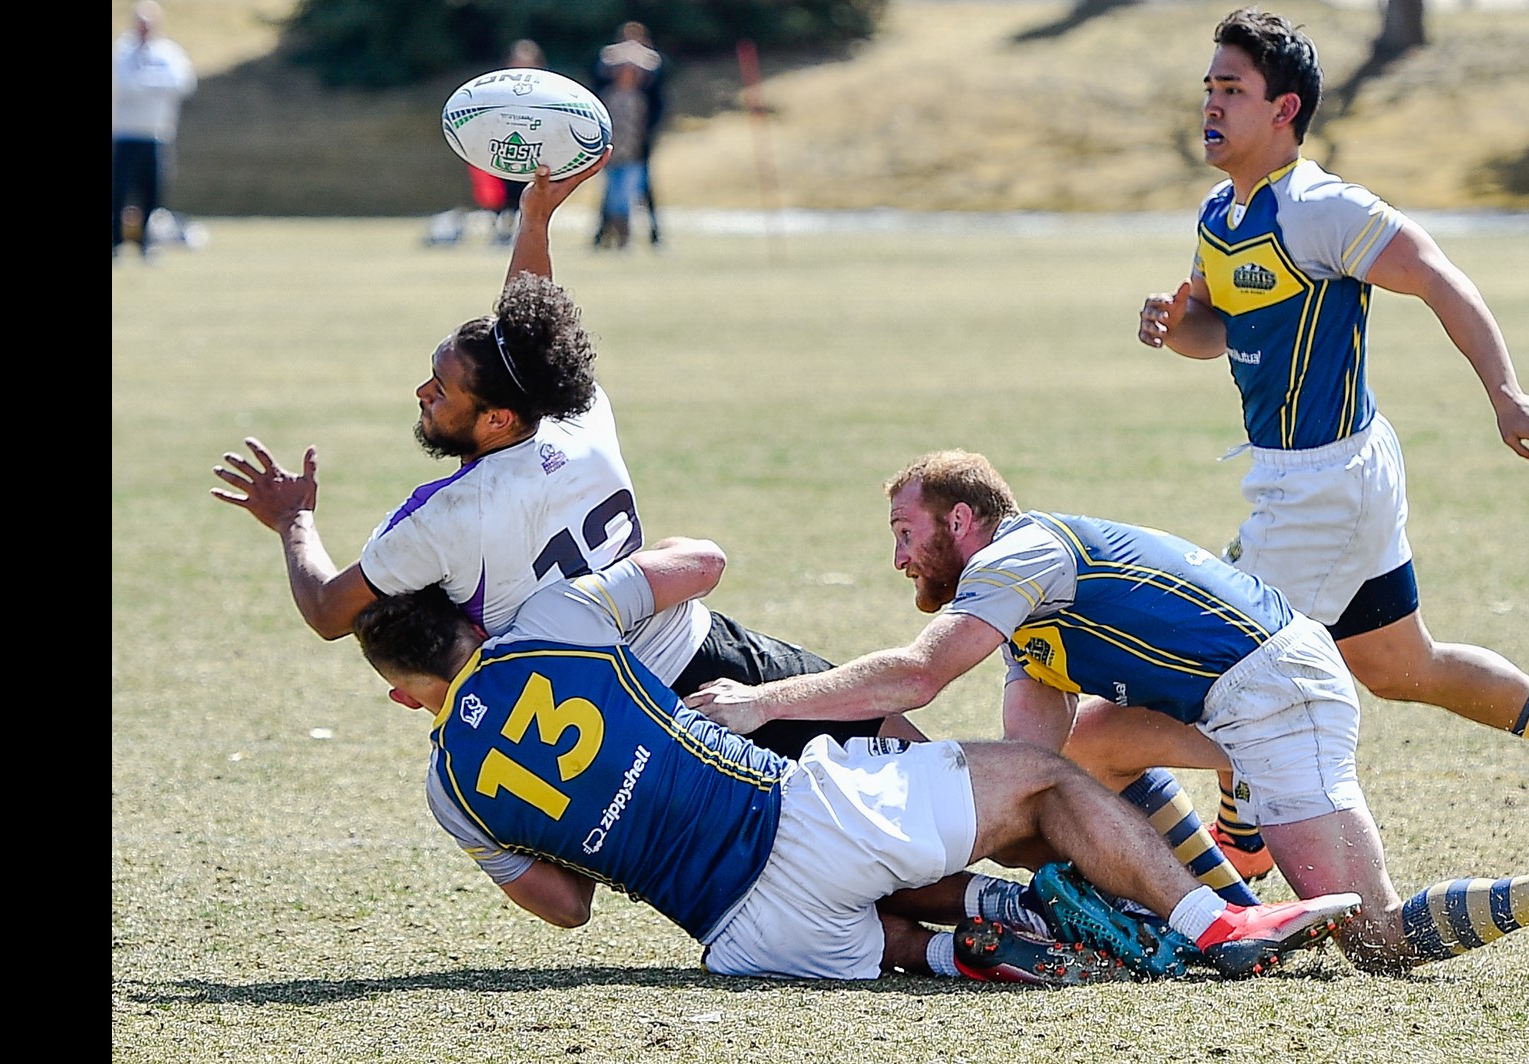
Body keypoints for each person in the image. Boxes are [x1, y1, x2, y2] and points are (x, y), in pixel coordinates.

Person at [211, 159, 1261, 910]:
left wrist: (294, 523)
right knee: (944, 784)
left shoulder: (448, 518)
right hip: (714, 645)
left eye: (441, 389)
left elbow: (330, 610)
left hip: (648, 710)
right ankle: (1175, 890)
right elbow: (532, 320)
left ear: (493, 422)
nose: (423, 395)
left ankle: (1114, 900)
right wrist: (534, 216)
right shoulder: (577, 415)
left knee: (898, 852)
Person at [687, 449, 1529, 986]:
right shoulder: (1030, 625)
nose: (899, 558)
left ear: (962, 521)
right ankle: (1222, 911)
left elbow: (918, 674)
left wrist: (759, 703)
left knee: (1375, 938)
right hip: (1244, 696)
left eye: (906, 532)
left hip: (1278, 695)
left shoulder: (1017, 557)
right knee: (1082, 760)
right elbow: (1028, 787)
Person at [1121, 7, 1529, 882]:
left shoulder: (1321, 208)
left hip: (1325, 486)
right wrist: (1174, 325)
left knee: (1234, 661)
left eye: (1232, 90)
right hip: (1320, 477)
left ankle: (1242, 854)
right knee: (1404, 666)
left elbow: (1437, 273)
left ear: (1285, 109)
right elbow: (1215, 328)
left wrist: (1506, 392)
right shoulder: (1221, 215)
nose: (1211, 104)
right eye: (1209, 87)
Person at [350, 540, 1365, 983]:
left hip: (743, 937)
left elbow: (567, 908)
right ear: (471, 622)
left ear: (405, 695)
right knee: (1043, 776)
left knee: (886, 921)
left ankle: (962, 944)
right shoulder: (551, 624)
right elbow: (701, 564)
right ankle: (1215, 922)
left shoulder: (450, 793)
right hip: (803, 821)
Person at [112, 0, 196, 263]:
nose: (144, 28)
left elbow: (183, 81)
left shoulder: (168, 51)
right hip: (126, 133)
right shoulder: (123, 51)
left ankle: (146, 243)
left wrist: (147, 82)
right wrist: (158, 84)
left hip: (157, 133)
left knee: (153, 191)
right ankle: (115, 242)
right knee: (119, 191)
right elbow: (126, 83)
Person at [593, 22, 666, 248]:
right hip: (614, 152)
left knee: (633, 194)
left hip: (635, 152)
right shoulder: (610, 95)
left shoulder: (642, 99)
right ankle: (608, 236)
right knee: (613, 196)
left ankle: (644, 235)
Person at [491, 39, 549, 245]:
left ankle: (522, 230)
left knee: (526, 192)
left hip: (531, 149)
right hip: (504, 146)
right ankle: (501, 229)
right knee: (501, 193)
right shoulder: (498, 90)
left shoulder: (545, 92)